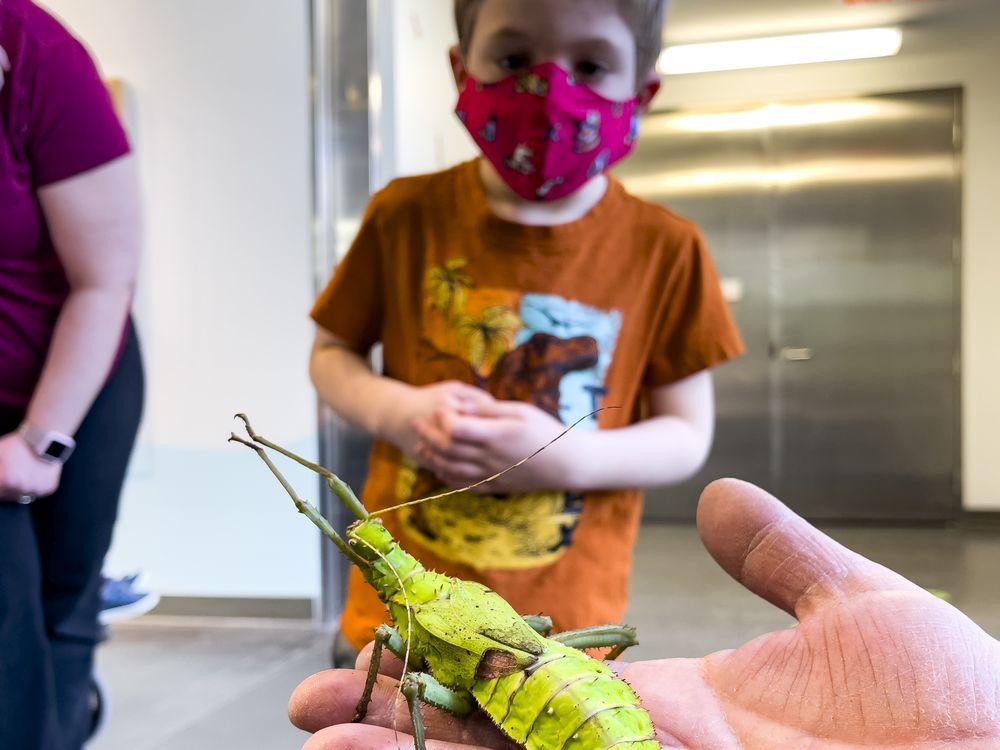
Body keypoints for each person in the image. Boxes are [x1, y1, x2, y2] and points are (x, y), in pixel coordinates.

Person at [309, 0, 743, 666]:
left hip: (561, 636)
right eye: (513, 60)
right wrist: (397, 411)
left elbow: (687, 434)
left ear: (642, 93)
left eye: (591, 65)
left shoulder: (667, 249)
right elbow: (332, 355)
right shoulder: (402, 216)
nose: (548, 91)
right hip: (399, 617)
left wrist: (564, 458)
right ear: (462, 70)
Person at [287, 478, 1000, 749]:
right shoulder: (454, 592)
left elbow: (401, 664)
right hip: (551, 665)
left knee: (410, 684)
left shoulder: (405, 618)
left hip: (528, 684)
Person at [0, 1, 144, 748]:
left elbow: (105, 280)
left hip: (74, 377)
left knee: (60, 606)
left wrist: (37, 443)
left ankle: (64, 716)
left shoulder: (33, 52)